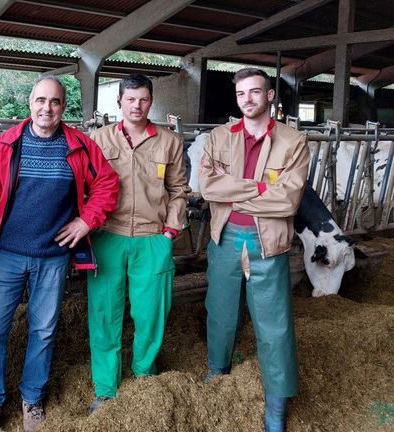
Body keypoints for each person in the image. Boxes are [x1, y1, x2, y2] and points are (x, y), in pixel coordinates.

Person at [0, 75, 119, 432]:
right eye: (40, 101)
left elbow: (108, 184)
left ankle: (32, 399)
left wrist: (85, 222)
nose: (46, 108)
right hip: (7, 253)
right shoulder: (9, 143)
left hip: (53, 256)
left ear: (63, 107)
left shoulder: (80, 145)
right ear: (30, 104)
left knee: (44, 330)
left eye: (54, 102)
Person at [199, 68, 309, 432]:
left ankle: (276, 405)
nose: (247, 99)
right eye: (241, 94)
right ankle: (218, 372)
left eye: (255, 92)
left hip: (268, 243)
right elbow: (208, 188)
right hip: (226, 237)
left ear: (271, 95)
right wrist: (260, 190)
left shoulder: (293, 141)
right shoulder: (218, 137)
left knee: (274, 324)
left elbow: (289, 201)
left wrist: (236, 193)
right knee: (219, 312)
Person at [87, 73, 189, 413]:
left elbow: (178, 190)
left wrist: (170, 232)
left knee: (151, 314)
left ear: (151, 102)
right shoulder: (98, 140)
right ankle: (105, 388)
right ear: (119, 102)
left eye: (143, 99)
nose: (137, 105)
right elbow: (85, 187)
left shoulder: (169, 141)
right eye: (130, 99)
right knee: (104, 314)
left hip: (151, 239)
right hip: (108, 237)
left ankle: (144, 375)